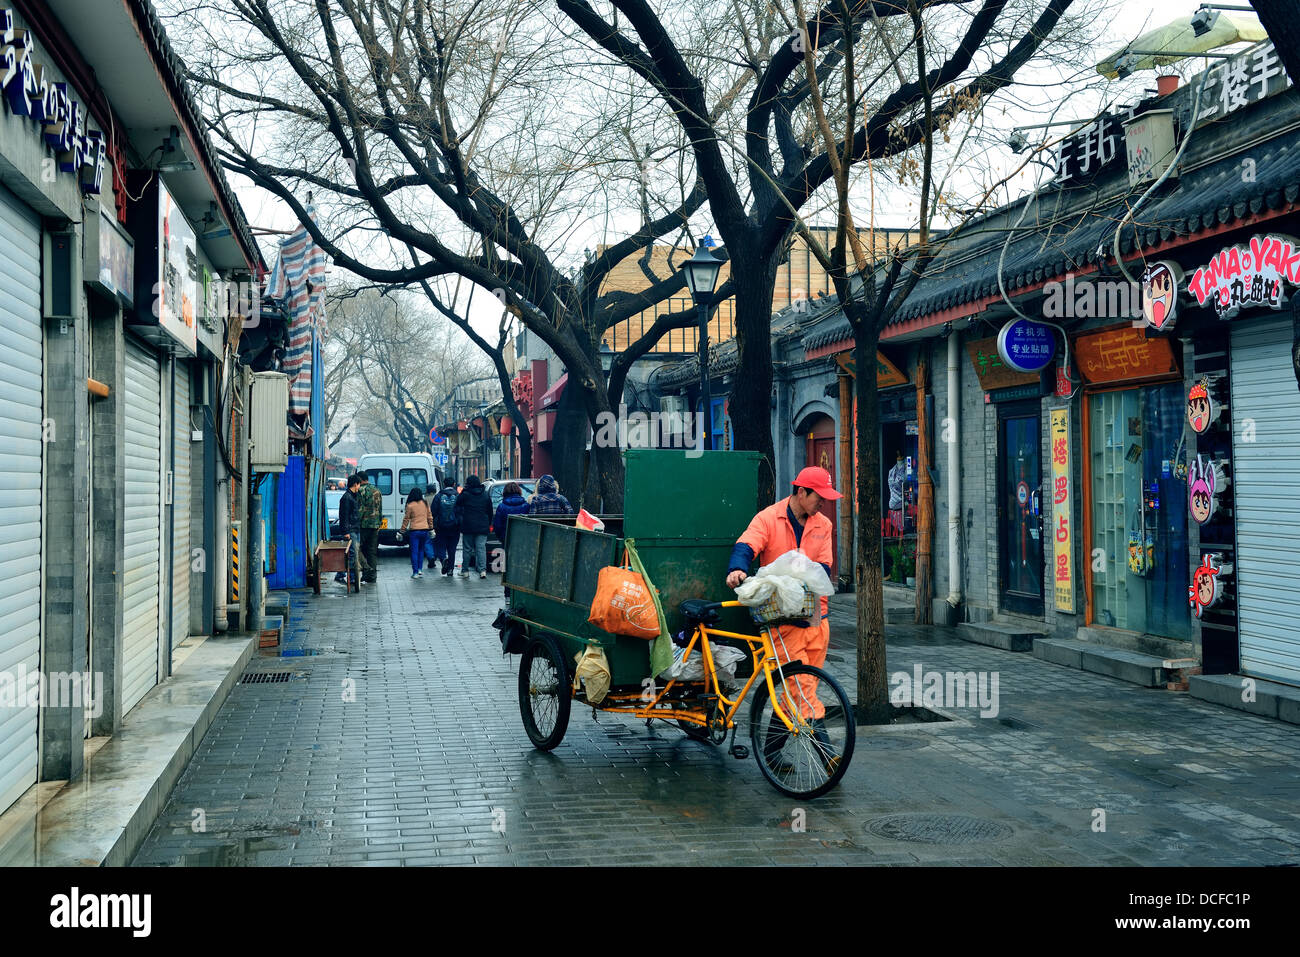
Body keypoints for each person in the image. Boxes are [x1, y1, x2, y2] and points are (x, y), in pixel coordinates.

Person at [725, 466, 838, 732]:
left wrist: (799, 573)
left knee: (801, 686)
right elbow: (747, 544)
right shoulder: (768, 518)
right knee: (800, 687)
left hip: (816, 618)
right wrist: (737, 569)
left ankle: (773, 757)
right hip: (782, 618)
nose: (823, 502)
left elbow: (824, 567)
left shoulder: (824, 524)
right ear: (801, 492)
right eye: (818, 496)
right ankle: (828, 755)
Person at [455, 475, 494, 578]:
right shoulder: (485, 494)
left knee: (467, 548)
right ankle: (482, 571)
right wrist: (488, 523)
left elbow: (457, 503)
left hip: (468, 525)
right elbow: (489, 511)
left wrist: (464, 491)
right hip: (482, 525)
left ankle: (465, 571)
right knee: (481, 548)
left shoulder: (466, 494)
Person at [492, 481, 531, 567]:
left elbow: (497, 525)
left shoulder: (501, 506)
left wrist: (501, 537)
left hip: (507, 538)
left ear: (505, 492)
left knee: (507, 562)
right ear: (519, 491)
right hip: (523, 538)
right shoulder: (526, 506)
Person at [333, 473, 363, 585]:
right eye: (359, 485)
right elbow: (343, 516)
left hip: (355, 529)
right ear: (355, 484)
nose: (359, 487)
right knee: (352, 554)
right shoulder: (346, 498)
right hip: (350, 530)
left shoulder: (353, 496)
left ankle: (343, 575)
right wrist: (345, 532)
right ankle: (351, 578)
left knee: (352, 554)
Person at [401, 486, 434, 579]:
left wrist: (402, 531)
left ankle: (415, 572)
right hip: (425, 530)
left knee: (414, 551)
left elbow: (406, 520)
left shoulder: (410, 505)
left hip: (414, 531)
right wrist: (431, 528)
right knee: (421, 550)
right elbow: (429, 517)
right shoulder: (425, 503)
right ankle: (420, 569)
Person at [357, 471, 383, 584]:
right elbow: (380, 508)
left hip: (363, 525)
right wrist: (379, 523)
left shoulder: (360, 490)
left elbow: (360, 509)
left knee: (357, 548)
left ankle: (366, 570)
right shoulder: (377, 490)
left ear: (360, 479)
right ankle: (372, 576)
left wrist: (356, 523)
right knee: (372, 551)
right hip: (375, 525)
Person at [431, 483, 462, 576]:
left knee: (441, 546)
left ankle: (443, 559)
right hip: (454, 527)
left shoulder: (438, 496)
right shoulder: (458, 496)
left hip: (441, 527)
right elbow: (461, 511)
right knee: (452, 549)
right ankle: (450, 570)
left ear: (444, 484)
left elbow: (433, 511)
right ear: (453, 484)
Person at [887, 451, 907, 536]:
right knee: (896, 533)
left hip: (903, 506)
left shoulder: (907, 470)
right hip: (892, 506)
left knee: (902, 533)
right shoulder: (891, 471)